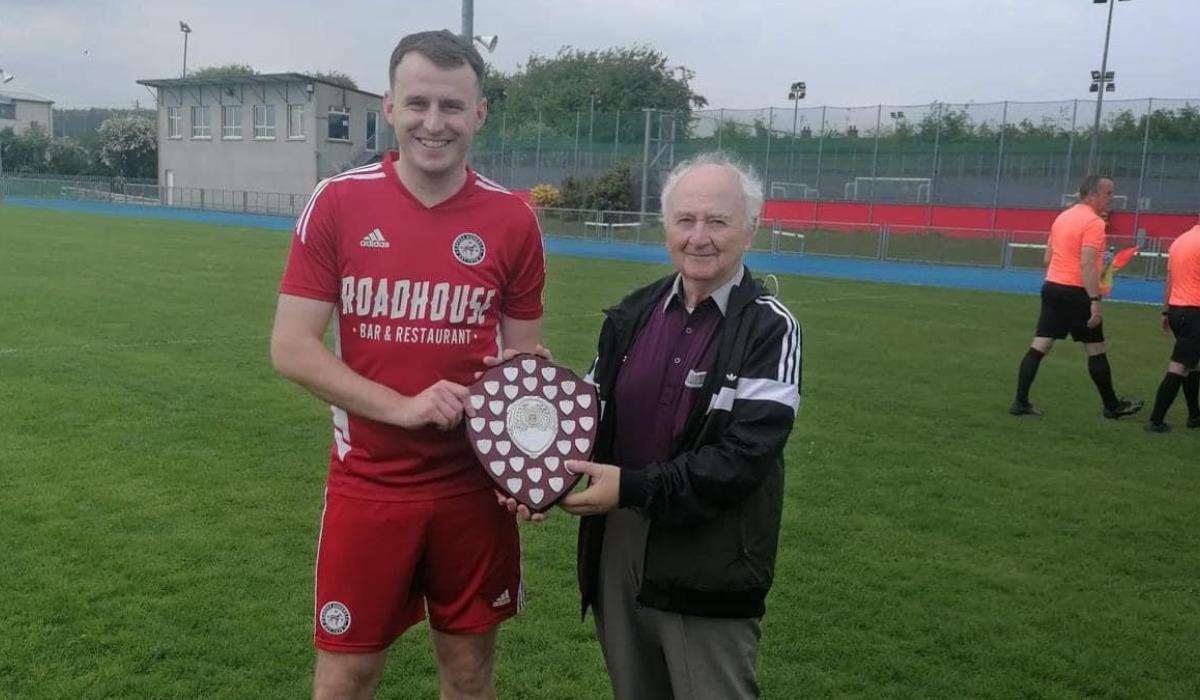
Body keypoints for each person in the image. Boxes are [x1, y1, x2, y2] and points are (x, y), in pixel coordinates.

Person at [270, 30, 545, 700]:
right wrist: (403, 407)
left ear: (478, 114)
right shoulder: (338, 201)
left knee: (469, 675)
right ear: (388, 107)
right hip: (369, 485)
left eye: (452, 106)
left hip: (473, 490)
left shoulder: (513, 220)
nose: (433, 122)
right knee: (346, 678)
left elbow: (525, 365)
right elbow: (292, 347)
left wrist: (529, 459)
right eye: (417, 103)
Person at [560, 153, 802, 699]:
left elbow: (744, 456)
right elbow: (588, 418)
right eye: (685, 220)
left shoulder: (771, 329)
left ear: (750, 228)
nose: (699, 237)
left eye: (717, 221)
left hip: (709, 558)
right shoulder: (632, 314)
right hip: (619, 541)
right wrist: (537, 469)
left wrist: (635, 486)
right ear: (665, 227)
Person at [1009, 174, 1143, 419]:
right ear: (1091, 194)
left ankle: (1020, 402)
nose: (1112, 198)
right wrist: (1095, 300)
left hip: (1052, 287)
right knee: (1096, 348)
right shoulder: (1093, 223)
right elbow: (1087, 265)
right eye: (1108, 193)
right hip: (1076, 291)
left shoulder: (1062, 217)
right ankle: (1112, 406)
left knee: (1040, 345)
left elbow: (1047, 259)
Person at [1145, 214, 1200, 432]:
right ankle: (1156, 420)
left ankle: (1194, 415)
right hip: (1195, 311)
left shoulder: (1181, 240)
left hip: (1178, 309)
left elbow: (1170, 279)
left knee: (1193, 363)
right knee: (1179, 366)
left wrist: (1166, 311)